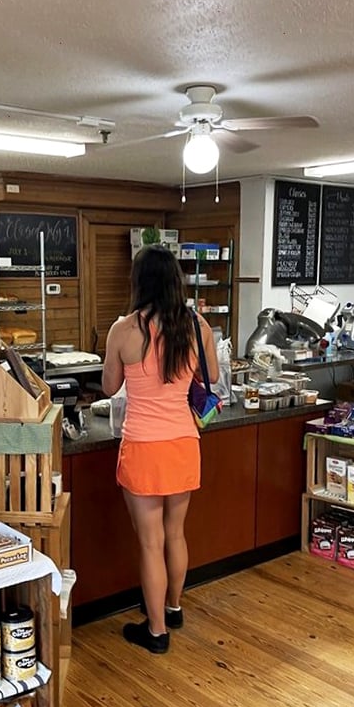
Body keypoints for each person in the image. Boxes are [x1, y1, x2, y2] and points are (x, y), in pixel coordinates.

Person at [102, 245, 219, 654]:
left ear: (138, 282)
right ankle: (173, 607)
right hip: (184, 442)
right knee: (176, 533)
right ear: (176, 281)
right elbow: (213, 375)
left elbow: (109, 387)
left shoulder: (124, 329)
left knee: (150, 542)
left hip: (144, 447)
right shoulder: (197, 325)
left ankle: (155, 633)